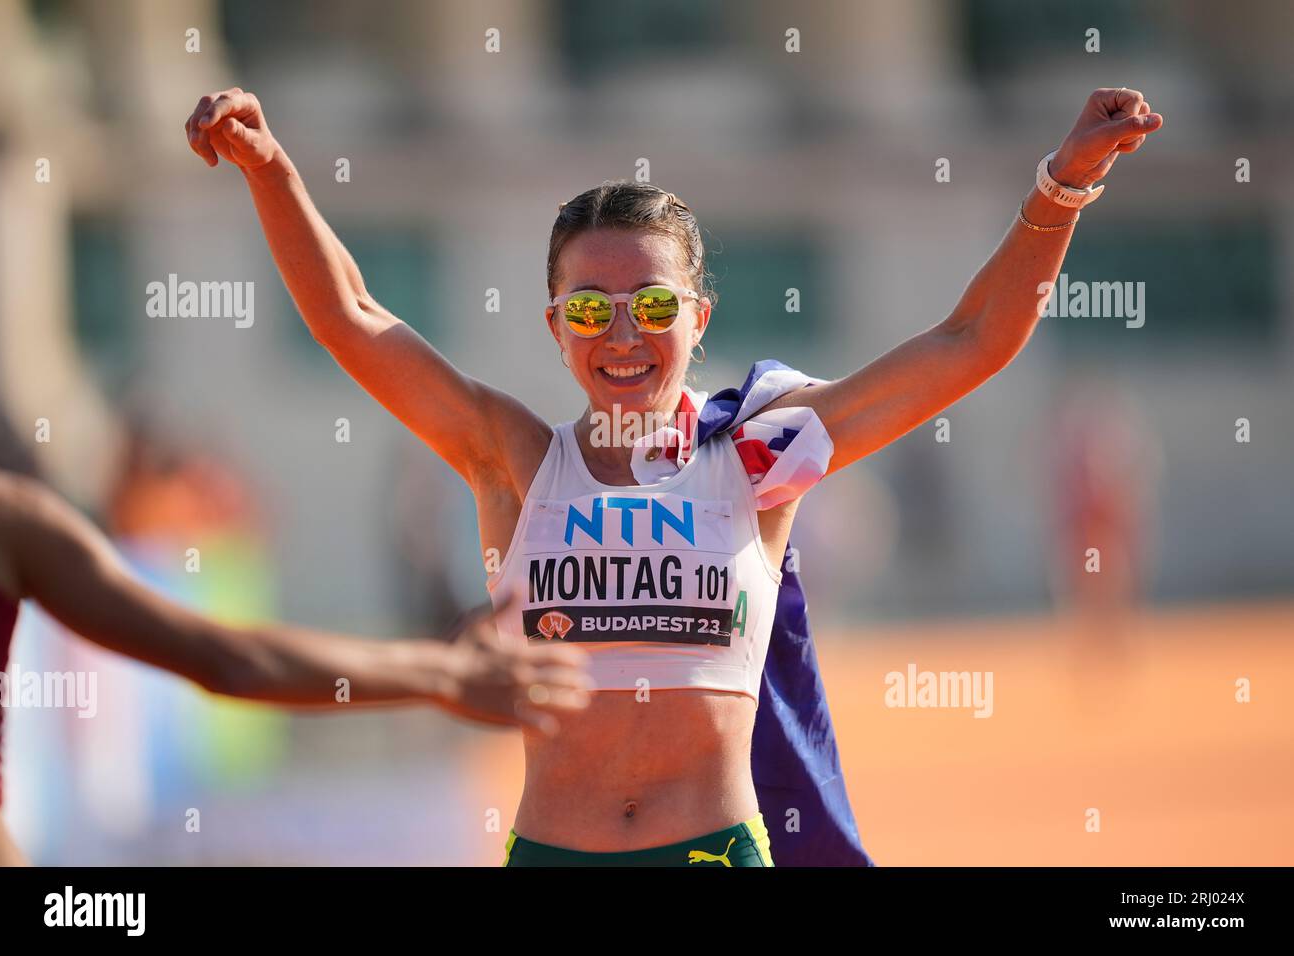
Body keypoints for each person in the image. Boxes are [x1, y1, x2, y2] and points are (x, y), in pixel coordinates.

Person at [185, 85, 1163, 865]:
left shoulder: (758, 454)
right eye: (588, 308)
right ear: (552, 326)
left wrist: (1061, 184)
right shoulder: (514, 459)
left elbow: (968, 340)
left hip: (715, 854)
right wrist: (269, 168)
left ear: (699, 317)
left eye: (653, 303)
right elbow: (352, 318)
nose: (621, 332)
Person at [0, 468, 591, 866]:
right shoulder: (14, 519)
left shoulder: (15, 521)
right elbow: (229, 663)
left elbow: (231, 662)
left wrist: (446, 674)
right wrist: (445, 674)